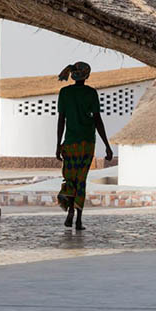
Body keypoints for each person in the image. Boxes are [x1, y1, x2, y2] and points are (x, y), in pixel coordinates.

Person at [55, 61, 113, 230]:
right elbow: (97, 120)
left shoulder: (64, 93)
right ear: (87, 75)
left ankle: (69, 211)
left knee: (70, 179)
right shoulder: (91, 93)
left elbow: (61, 120)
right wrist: (107, 145)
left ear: (72, 74)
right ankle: (78, 219)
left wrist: (58, 144)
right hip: (87, 143)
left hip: (70, 143)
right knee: (81, 180)